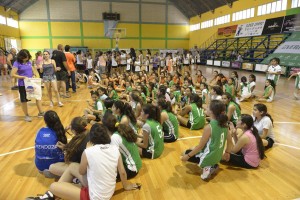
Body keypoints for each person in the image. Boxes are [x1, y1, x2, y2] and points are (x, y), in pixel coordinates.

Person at [28, 123, 140, 200]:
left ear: (92, 138)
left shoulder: (89, 151)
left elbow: (81, 171)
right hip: (108, 190)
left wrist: (87, 150)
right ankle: (55, 194)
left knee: (53, 186)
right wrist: (126, 186)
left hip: (95, 196)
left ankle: (50, 195)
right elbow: (122, 172)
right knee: (72, 167)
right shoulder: (115, 149)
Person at [181, 100, 231, 180]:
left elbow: (200, 147)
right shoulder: (225, 125)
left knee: (184, 153)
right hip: (219, 156)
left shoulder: (209, 127)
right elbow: (230, 141)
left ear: (211, 112)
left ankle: (207, 168)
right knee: (193, 148)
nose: (205, 107)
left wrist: (187, 156)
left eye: (207, 107)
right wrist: (227, 152)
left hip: (209, 157)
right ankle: (213, 164)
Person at [102, 113, 142, 179]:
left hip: (132, 169)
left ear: (105, 128)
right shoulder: (121, 129)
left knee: (104, 172)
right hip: (137, 164)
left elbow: (114, 159)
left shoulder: (115, 137)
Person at [11, 49, 44, 122]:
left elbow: (33, 70)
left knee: (37, 96)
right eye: (25, 57)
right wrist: (22, 77)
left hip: (31, 83)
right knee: (24, 100)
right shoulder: (17, 63)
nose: (26, 58)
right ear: (21, 57)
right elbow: (12, 74)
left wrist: (34, 75)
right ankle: (26, 115)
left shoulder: (29, 62)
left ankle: (41, 112)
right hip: (23, 84)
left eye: (27, 57)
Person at [35, 110, 67, 177]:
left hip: (40, 167)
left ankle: (51, 171)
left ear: (45, 121)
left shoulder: (39, 131)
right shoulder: (59, 132)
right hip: (56, 165)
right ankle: (55, 172)